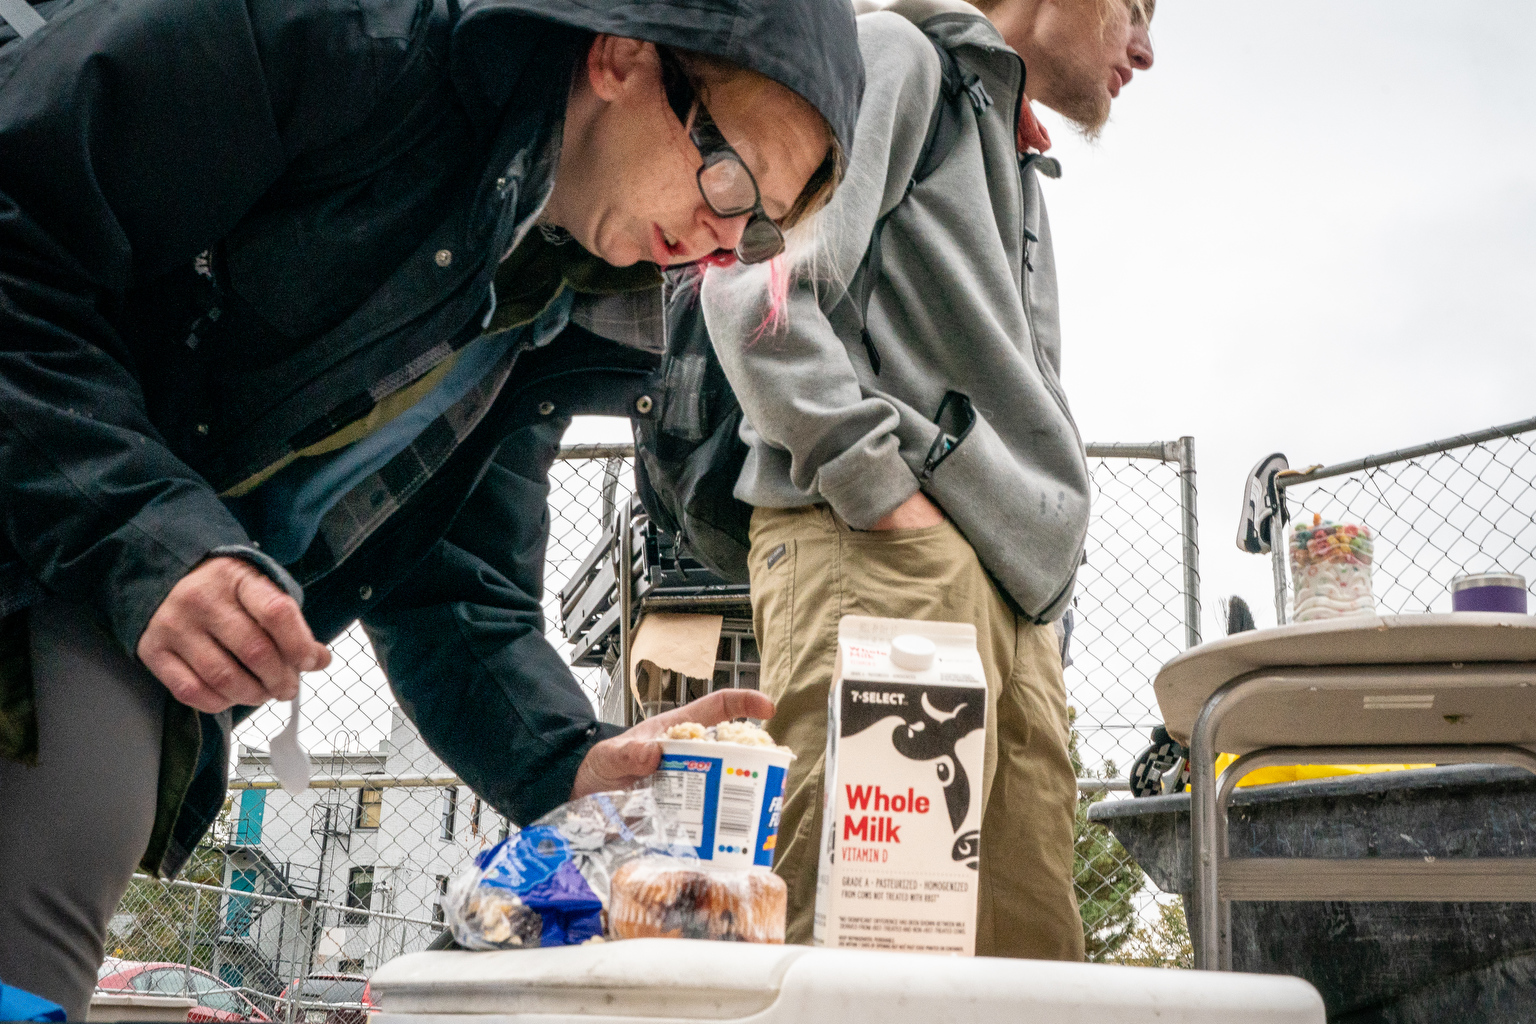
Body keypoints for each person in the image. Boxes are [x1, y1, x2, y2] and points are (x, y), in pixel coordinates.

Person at [0, 0, 860, 1012]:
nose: (722, 240)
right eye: (728, 176)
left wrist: (572, 762)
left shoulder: (556, 301)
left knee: (88, 789)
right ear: (624, 54)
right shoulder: (346, 37)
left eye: (759, 225)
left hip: (91, 525)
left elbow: (455, 582)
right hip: (57, 463)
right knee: (87, 793)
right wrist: (151, 538)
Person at [698, 0, 1155, 958]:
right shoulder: (895, 56)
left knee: (1031, 965)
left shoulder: (1004, 137)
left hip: (1006, 591)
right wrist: (880, 493)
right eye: (1135, 8)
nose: (1144, 50)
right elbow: (752, 288)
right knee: (864, 949)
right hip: (892, 557)